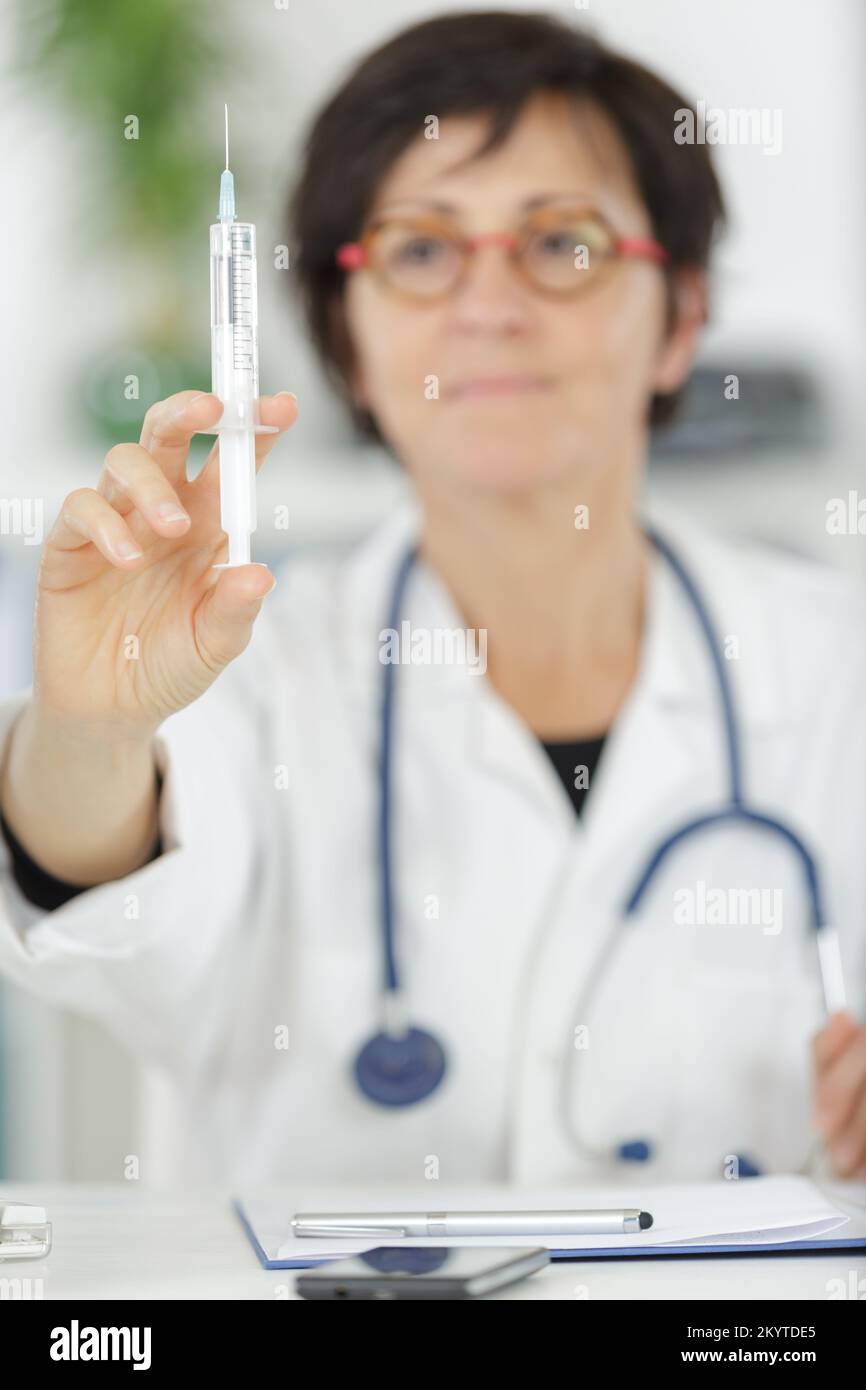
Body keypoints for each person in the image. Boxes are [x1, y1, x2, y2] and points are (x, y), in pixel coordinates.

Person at [1, 10, 864, 1186]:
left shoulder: (835, 670)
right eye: (419, 250)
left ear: (681, 318)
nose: (488, 303)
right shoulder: (244, 665)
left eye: (560, 243)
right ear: (346, 341)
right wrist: (91, 728)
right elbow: (106, 910)